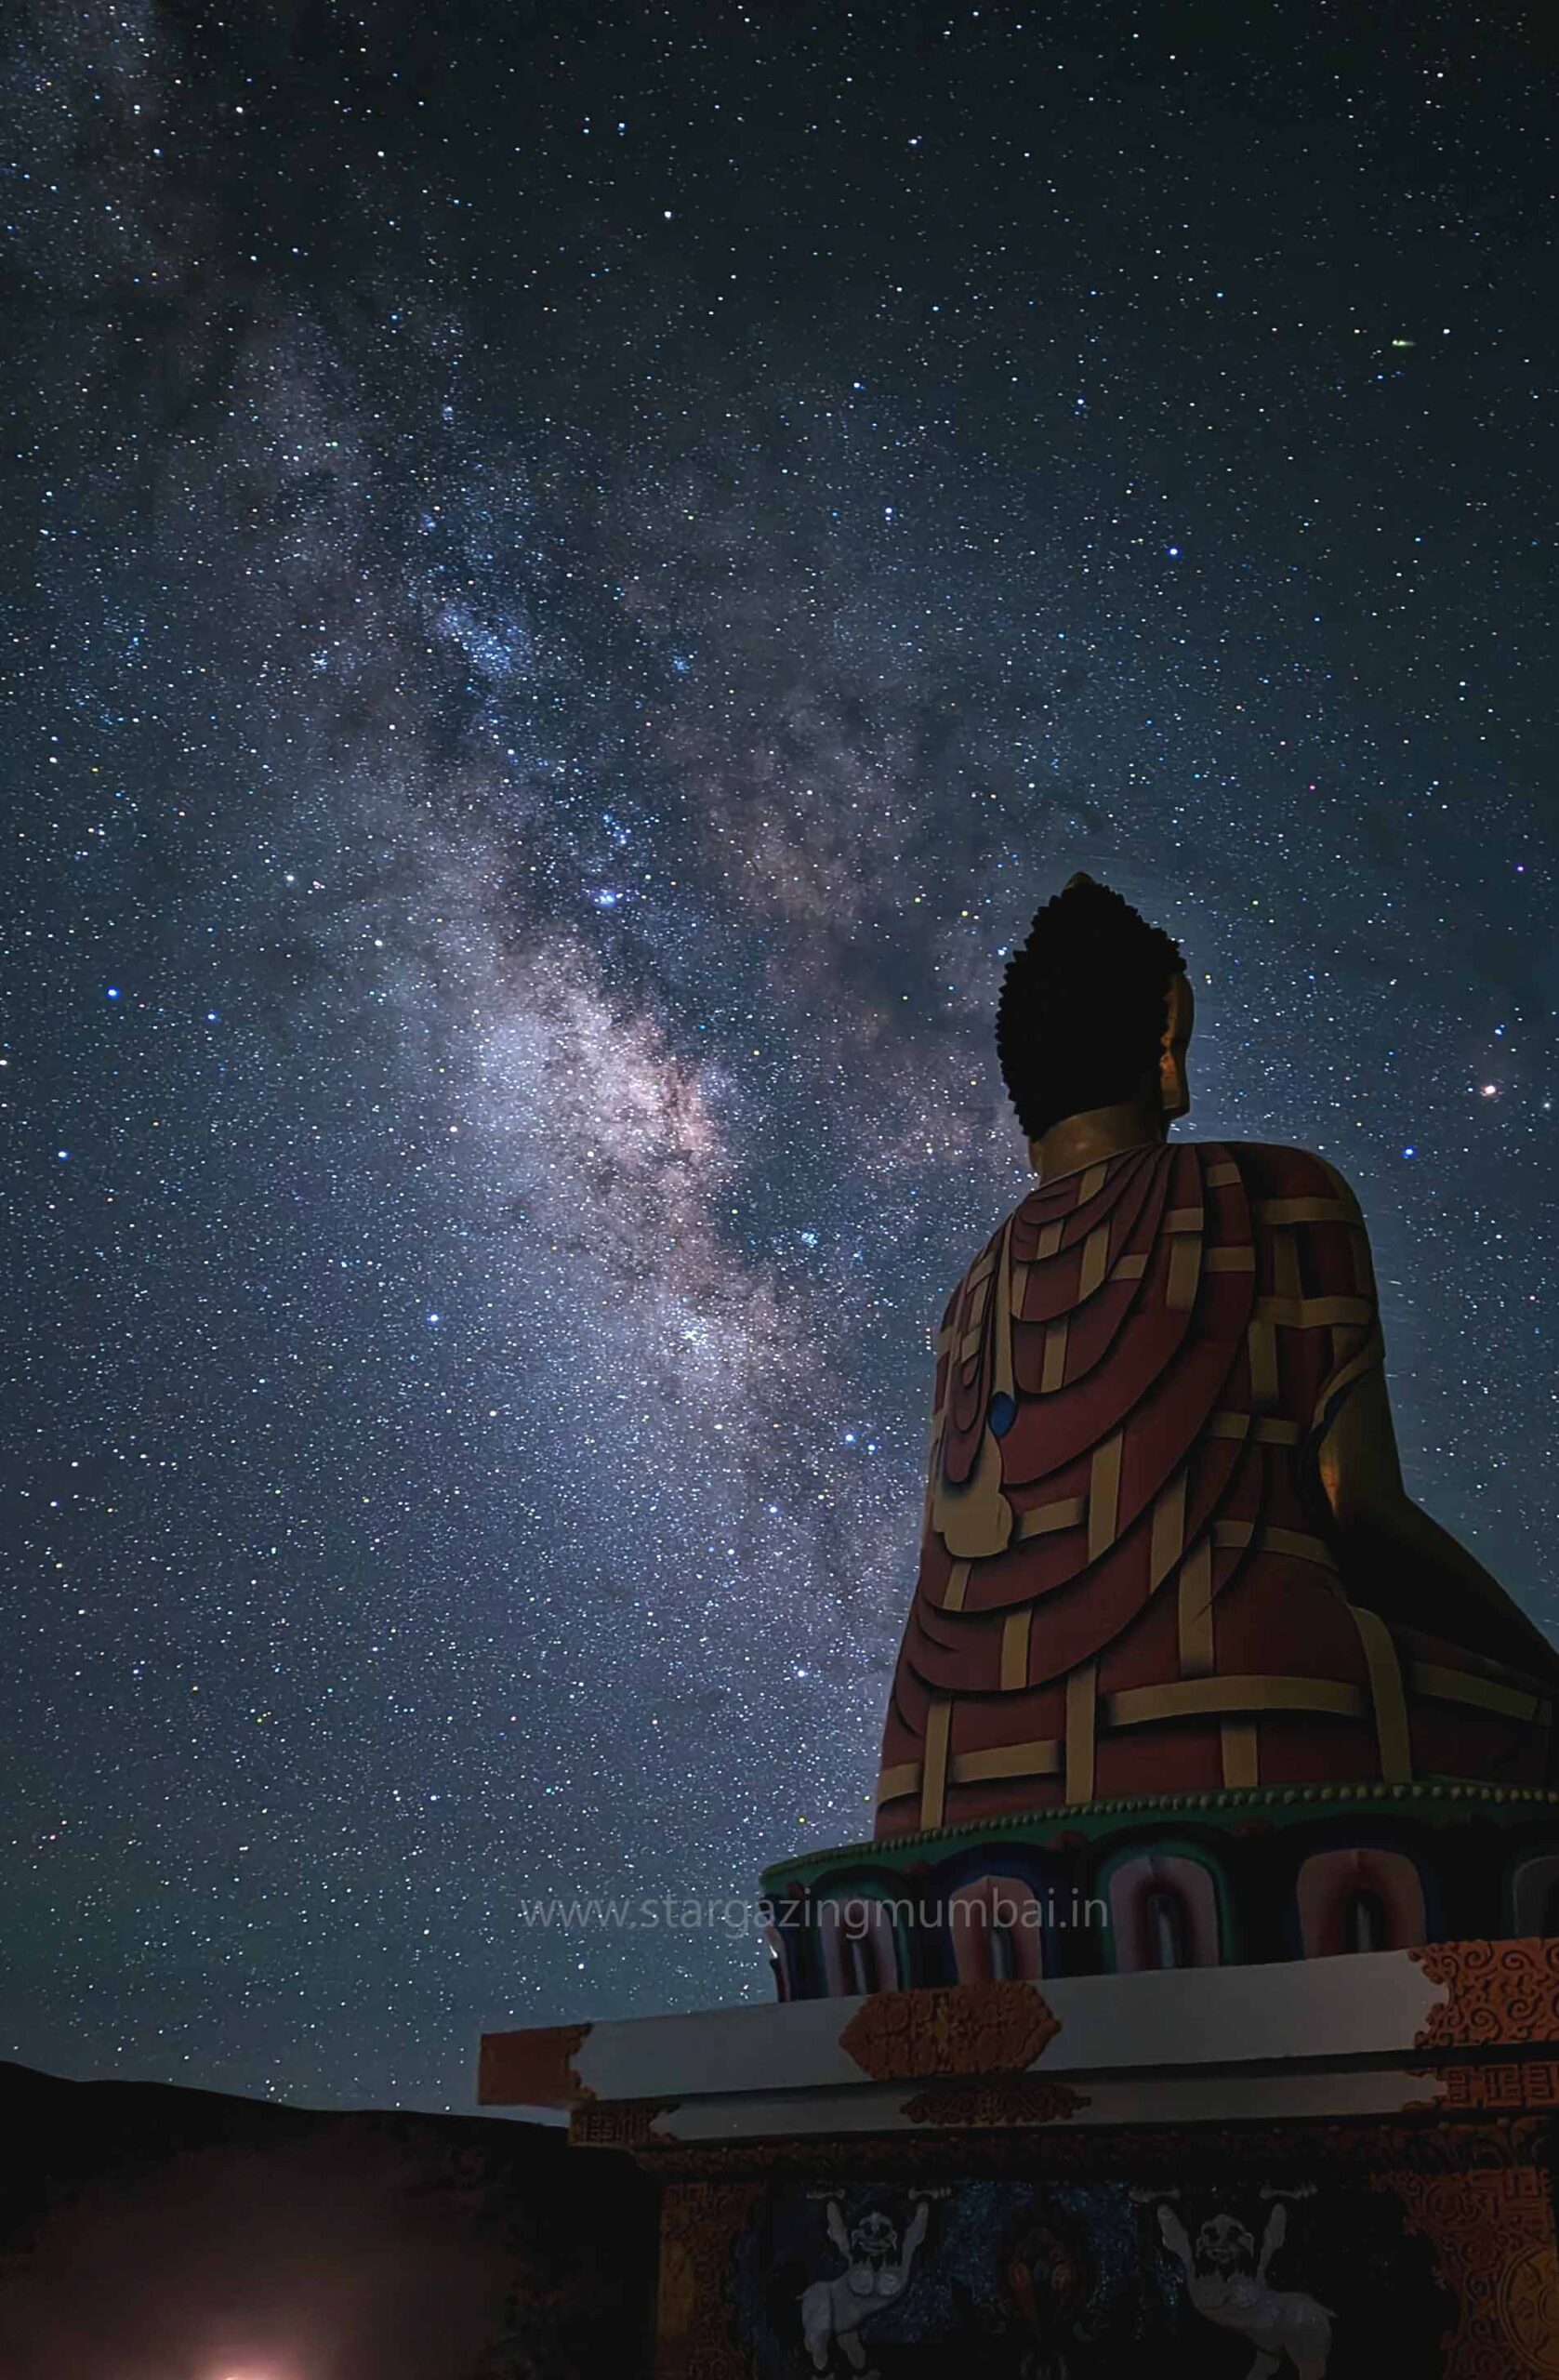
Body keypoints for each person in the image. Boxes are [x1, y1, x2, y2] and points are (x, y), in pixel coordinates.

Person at [876, 876, 1559, 1840]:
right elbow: (1361, 1512)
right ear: (1164, 1036)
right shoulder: (1275, 1191)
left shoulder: (966, 1299)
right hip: (1238, 1713)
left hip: (935, 1774)